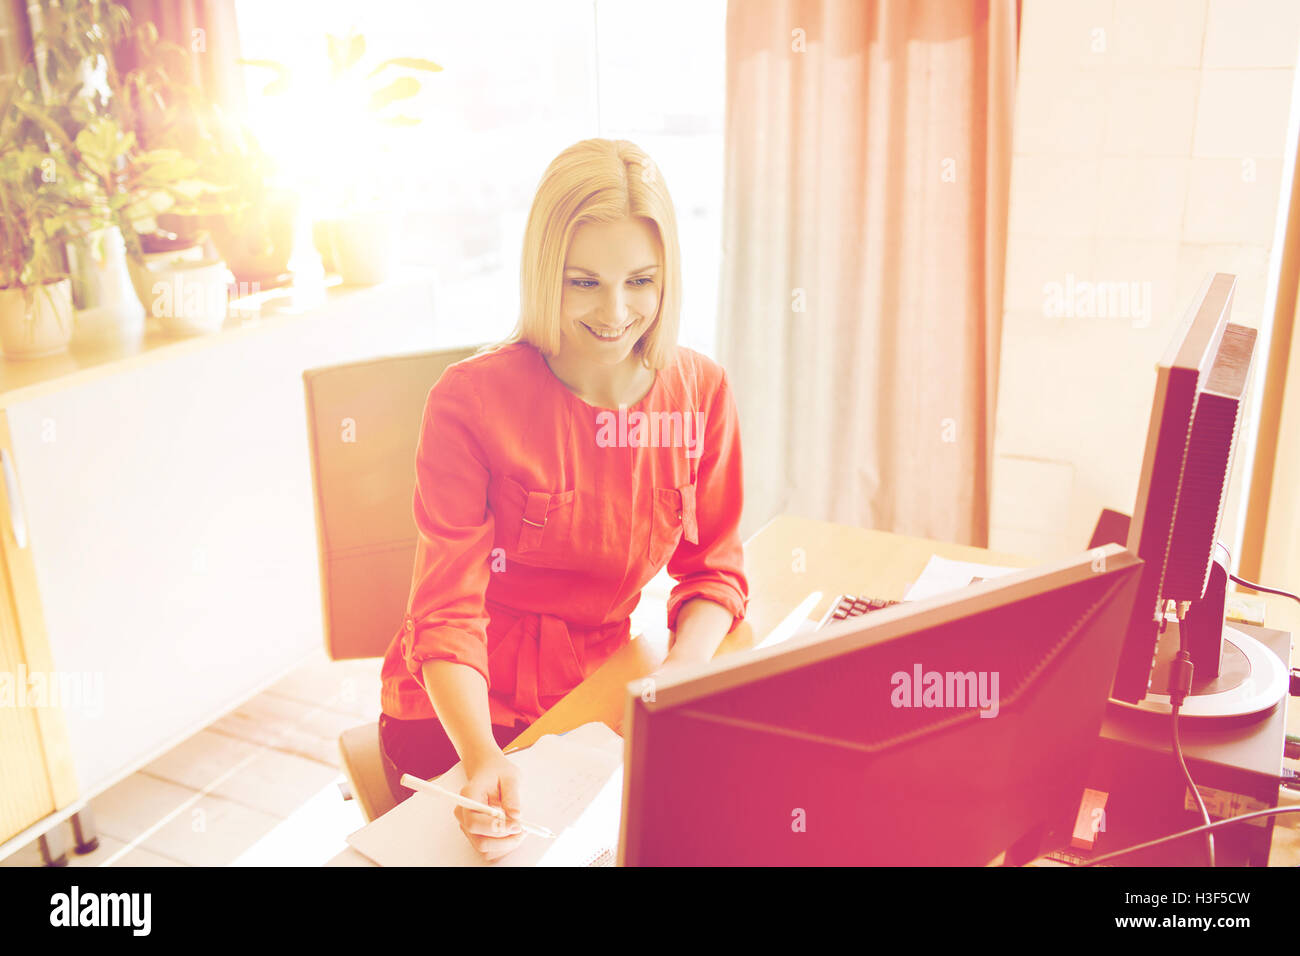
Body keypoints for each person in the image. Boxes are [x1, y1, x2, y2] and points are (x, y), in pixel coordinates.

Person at [378, 138, 749, 861]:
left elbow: (716, 570)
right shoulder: (470, 402)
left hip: (598, 696)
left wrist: (683, 667)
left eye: (641, 281)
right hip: (459, 715)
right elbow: (447, 615)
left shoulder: (701, 392)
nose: (616, 312)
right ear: (548, 273)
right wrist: (483, 757)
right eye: (585, 283)